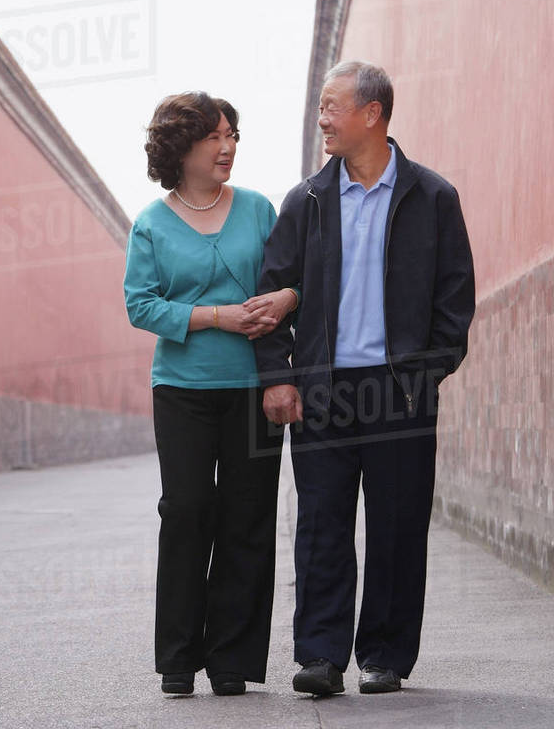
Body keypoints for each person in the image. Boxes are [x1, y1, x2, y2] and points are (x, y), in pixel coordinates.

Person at [255, 61, 475, 695]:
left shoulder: (433, 197)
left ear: (372, 113)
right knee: (321, 526)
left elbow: (455, 301)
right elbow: (271, 295)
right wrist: (279, 376)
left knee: (397, 527)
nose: (321, 118)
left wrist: (425, 374)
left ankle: (385, 655)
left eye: (332, 106)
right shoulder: (306, 201)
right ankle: (320, 656)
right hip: (323, 390)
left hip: (398, 391)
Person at [124, 91, 299, 697]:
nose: (227, 148)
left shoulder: (257, 209)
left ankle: (232, 660)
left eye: (232, 136)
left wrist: (286, 305)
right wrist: (217, 317)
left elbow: (290, 280)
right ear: (181, 147)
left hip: (254, 389)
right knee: (187, 510)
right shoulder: (151, 223)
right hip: (182, 389)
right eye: (214, 137)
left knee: (248, 518)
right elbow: (140, 305)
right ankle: (178, 655)